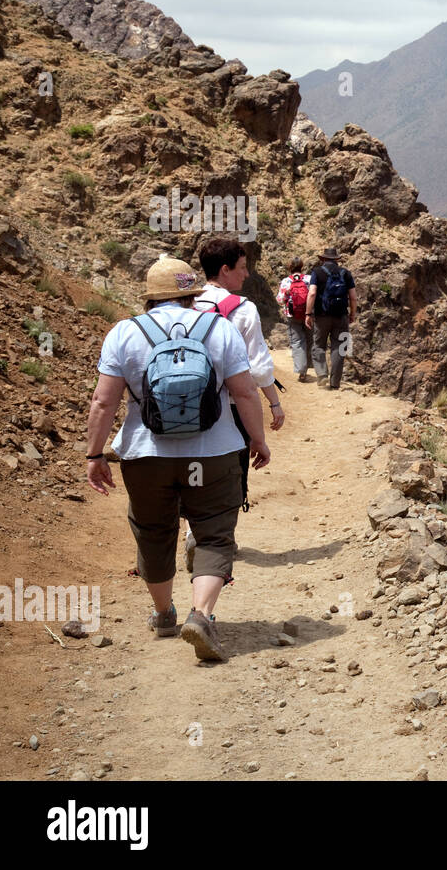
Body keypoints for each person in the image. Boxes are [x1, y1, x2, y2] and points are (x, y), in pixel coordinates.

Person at [86, 257, 270, 662]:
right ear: (192, 295)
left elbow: (104, 400)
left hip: (146, 454)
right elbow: (243, 393)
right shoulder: (219, 328)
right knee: (214, 533)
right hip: (215, 452)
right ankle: (201, 615)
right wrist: (257, 440)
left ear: (150, 298)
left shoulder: (124, 332)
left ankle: (164, 613)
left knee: (153, 530)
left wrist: (95, 453)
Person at [195, 238, 285, 519]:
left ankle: (192, 530)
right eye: (242, 267)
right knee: (231, 471)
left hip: (189, 401)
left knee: (195, 468)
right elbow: (257, 368)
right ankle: (219, 535)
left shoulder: (185, 302)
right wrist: (274, 402)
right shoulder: (244, 309)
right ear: (225, 269)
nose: (246, 274)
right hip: (231, 408)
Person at [305, 246, 357, 390]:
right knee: (339, 348)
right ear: (337, 260)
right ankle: (335, 383)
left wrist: (308, 314)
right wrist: (352, 313)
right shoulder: (346, 273)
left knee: (318, 345)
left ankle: (322, 374)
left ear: (322, 259)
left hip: (322, 316)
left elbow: (312, 293)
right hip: (341, 316)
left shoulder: (317, 272)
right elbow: (353, 297)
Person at [276, 257, 313, 381]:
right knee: (309, 340)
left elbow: (280, 300)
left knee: (297, 342)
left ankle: (301, 371)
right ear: (301, 266)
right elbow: (314, 295)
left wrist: (287, 294)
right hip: (309, 314)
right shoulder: (308, 279)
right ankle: (308, 366)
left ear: (290, 267)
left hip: (292, 315)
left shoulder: (286, 281)